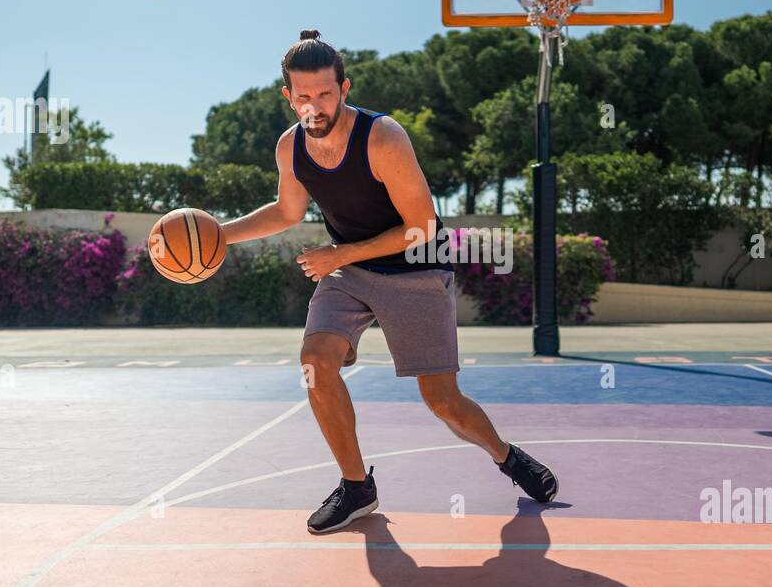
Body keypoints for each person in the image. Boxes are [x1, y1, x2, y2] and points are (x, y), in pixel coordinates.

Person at [222, 30, 558, 533]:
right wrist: (218, 236)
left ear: (345, 87)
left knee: (443, 401)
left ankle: (506, 456)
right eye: (304, 96)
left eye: (327, 93)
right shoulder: (290, 147)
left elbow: (422, 226)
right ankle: (358, 487)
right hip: (352, 270)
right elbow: (287, 211)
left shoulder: (382, 137)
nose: (316, 106)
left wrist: (341, 253)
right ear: (287, 96)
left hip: (416, 266)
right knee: (316, 361)